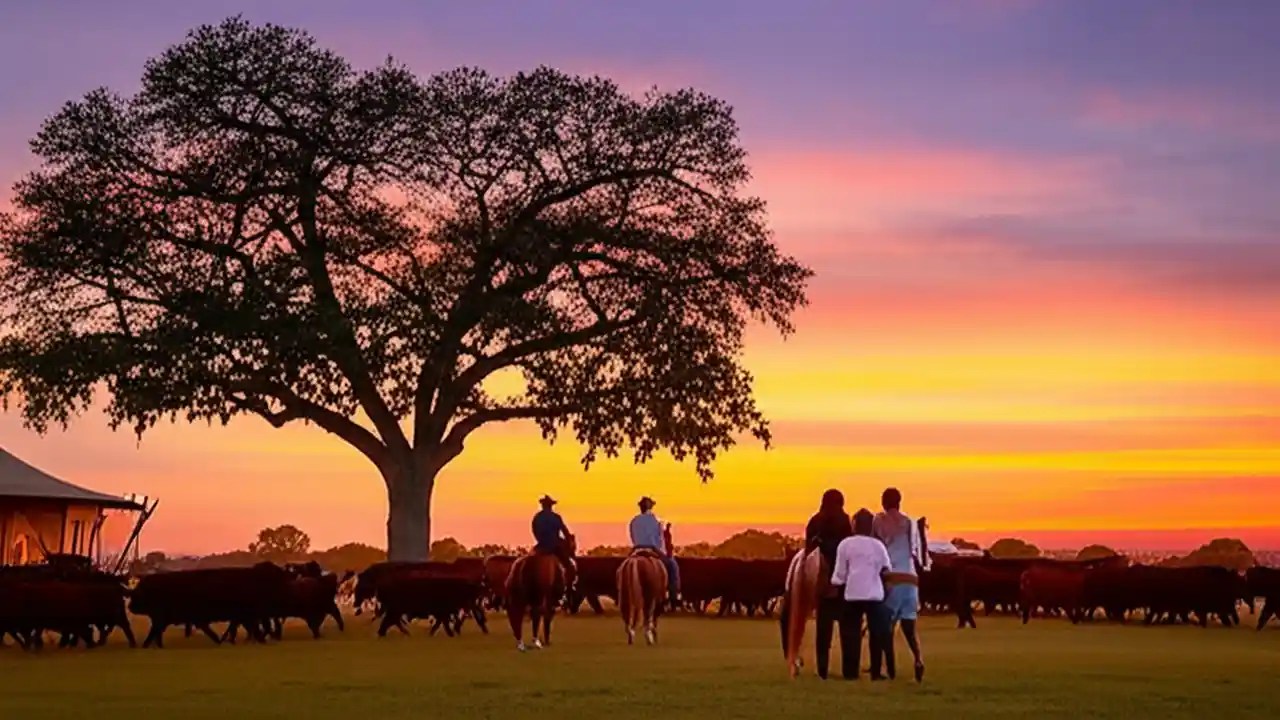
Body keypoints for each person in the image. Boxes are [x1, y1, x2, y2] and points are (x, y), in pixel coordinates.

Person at [829, 508, 892, 680]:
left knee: (850, 634)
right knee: (876, 634)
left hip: (852, 594)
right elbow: (886, 570)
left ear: (854, 525)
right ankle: (876, 671)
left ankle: (850, 672)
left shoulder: (846, 544)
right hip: (875, 595)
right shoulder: (878, 546)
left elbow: (839, 575)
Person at [873, 487, 928, 682]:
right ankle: (918, 658)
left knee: (886, 627)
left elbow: (875, 546)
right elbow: (918, 553)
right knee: (909, 628)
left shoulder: (878, 521)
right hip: (911, 579)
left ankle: (889, 669)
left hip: (892, 577)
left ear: (884, 502)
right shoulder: (910, 523)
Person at [803, 489, 854, 679]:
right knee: (847, 629)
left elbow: (808, 552)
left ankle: (822, 669)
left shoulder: (815, 522)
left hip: (821, 582)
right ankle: (849, 669)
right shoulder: (845, 522)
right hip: (842, 583)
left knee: (823, 631)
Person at [628, 497, 680, 607]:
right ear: (651, 507)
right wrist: (663, 552)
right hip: (653, 549)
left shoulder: (634, 521)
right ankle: (673, 595)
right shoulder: (656, 521)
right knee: (672, 566)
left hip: (637, 549)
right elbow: (659, 539)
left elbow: (633, 537)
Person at [531, 495, 573, 570]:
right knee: (567, 564)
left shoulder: (537, 517)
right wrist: (568, 540)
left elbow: (534, 531)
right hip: (554, 545)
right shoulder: (556, 517)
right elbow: (565, 532)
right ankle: (570, 574)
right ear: (551, 506)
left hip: (541, 544)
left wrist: (540, 540)